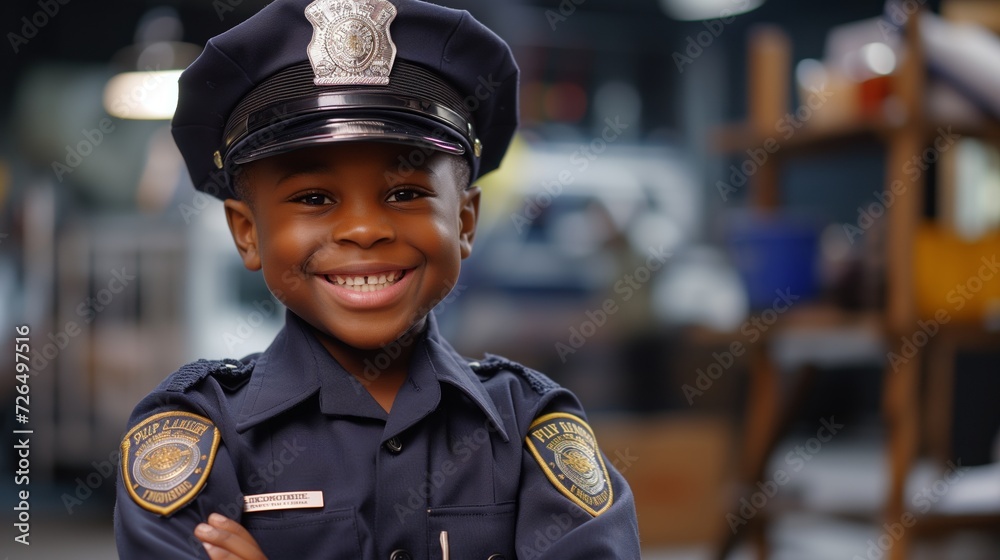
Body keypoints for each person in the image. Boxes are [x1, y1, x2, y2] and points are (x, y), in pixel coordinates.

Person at [114, 0, 641, 558]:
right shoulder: (195, 430)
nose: (364, 229)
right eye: (314, 198)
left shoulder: (532, 427)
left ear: (464, 222)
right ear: (247, 233)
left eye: (405, 193)